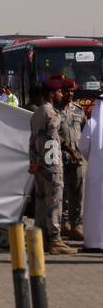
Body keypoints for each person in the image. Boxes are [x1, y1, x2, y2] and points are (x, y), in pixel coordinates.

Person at [29, 77, 76, 255]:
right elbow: (50, 142)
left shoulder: (37, 114)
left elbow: (32, 141)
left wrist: (33, 162)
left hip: (39, 167)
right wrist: (43, 161)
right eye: (58, 92)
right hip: (51, 164)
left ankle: (40, 240)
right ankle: (55, 240)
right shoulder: (52, 114)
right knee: (54, 202)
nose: (60, 94)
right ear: (51, 94)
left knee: (41, 203)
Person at [61, 84, 87, 240]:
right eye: (66, 91)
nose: (70, 94)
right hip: (60, 157)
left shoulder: (78, 110)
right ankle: (64, 224)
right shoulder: (55, 111)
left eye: (71, 91)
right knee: (61, 193)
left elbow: (85, 132)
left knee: (78, 193)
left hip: (77, 159)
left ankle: (76, 225)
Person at [80, 95, 101, 253]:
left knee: (94, 207)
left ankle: (94, 242)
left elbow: (83, 147)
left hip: (95, 173)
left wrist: (93, 159)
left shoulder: (92, 123)